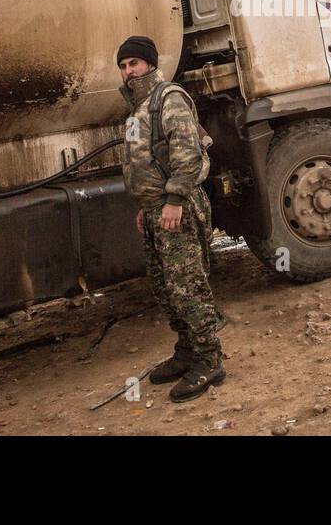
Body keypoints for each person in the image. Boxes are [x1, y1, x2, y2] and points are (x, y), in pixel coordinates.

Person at [116, 34, 225, 401]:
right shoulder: (137, 107)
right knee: (166, 289)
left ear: (149, 63)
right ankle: (187, 351)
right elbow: (142, 162)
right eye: (123, 66)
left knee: (188, 286)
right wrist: (145, 208)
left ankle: (209, 359)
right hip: (153, 211)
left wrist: (174, 200)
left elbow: (187, 155)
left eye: (133, 63)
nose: (128, 71)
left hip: (175, 208)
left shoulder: (169, 98)